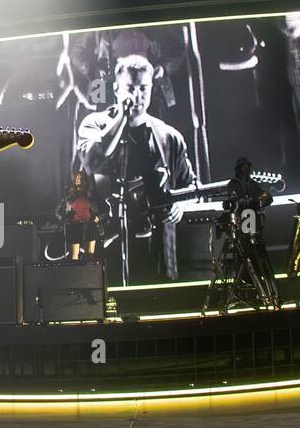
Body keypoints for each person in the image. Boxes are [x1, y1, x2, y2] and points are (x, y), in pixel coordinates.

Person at [74, 54, 195, 281]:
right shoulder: (93, 123)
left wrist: (181, 204)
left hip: (154, 251)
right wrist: (122, 116)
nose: (137, 95)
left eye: (143, 88)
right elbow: (92, 162)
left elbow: (190, 186)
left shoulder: (169, 137)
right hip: (104, 246)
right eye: (130, 88)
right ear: (116, 88)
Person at [55, 169, 102, 261]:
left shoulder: (92, 195)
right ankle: (76, 274)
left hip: (89, 226)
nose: (78, 179)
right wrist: (64, 219)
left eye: (80, 178)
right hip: (74, 226)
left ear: (85, 180)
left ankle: (90, 274)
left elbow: (105, 209)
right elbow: (58, 211)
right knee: (74, 256)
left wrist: (98, 217)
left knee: (90, 255)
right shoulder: (69, 195)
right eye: (76, 177)